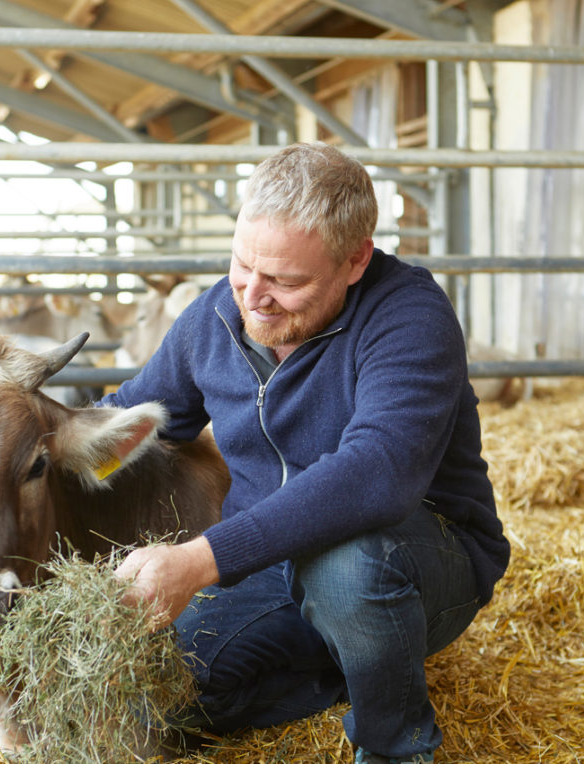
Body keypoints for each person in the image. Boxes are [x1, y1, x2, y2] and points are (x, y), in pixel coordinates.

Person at [108, 142, 510, 764]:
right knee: (155, 696)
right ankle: (343, 669)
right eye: (243, 265)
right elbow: (137, 415)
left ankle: (393, 746)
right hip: (273, 567)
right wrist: (38, 430)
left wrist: (199, 560)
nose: (253, 297)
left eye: (286, 281)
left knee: (346, 567)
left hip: (418, 557)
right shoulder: (216, 316)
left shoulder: (408, 315)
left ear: (355, 261)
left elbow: (379, 472)